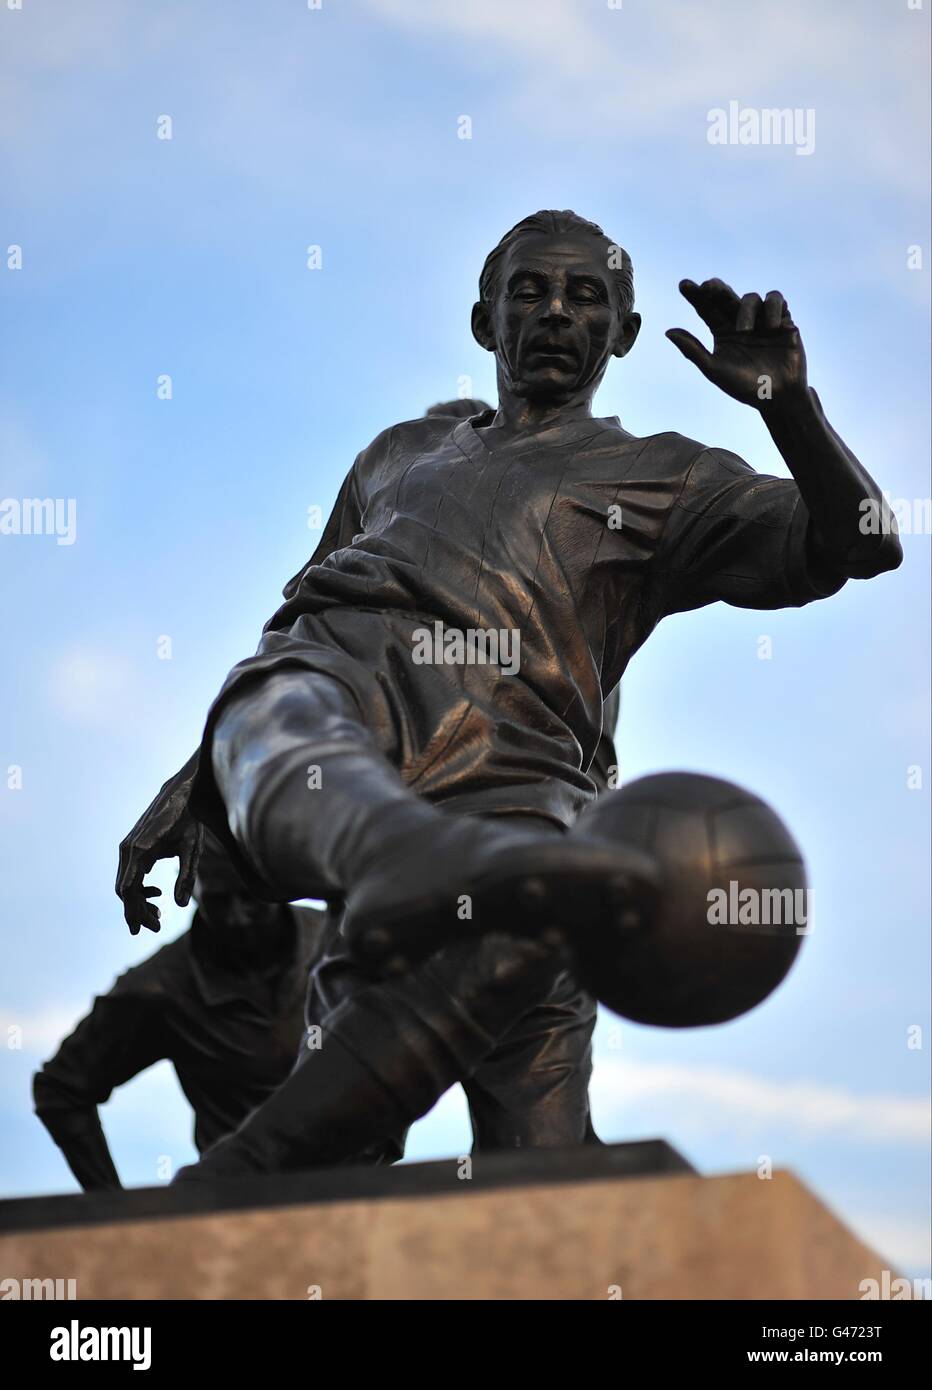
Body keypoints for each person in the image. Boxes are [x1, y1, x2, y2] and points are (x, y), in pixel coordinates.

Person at [116, 210, 900, 1180]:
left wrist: (787, 404)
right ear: (484, 320)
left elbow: (862, 538)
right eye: (529, 291)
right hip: (351, 754)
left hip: (523, 832)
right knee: (280, 690)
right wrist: (200, 780)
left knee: (539, 1176)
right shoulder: (398, 454)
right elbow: (297, 629)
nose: (555, 313)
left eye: (584, 298)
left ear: (621, 330)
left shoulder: (662, 476)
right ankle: (400, 860)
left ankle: (264, 1157)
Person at [35, 834, 325, 1190]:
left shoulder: (338, 941)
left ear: (276, 886)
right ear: (192, 891)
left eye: (250, 899)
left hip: (368, 1197)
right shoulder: (160, 991)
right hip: (243, 1209)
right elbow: (61, 1089)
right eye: (219, 901)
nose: (238, 918)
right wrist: (112, 1210)